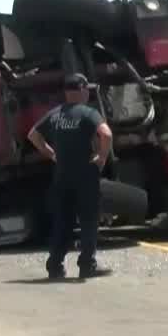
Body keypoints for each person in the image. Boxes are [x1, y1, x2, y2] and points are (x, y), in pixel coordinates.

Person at [27, 73, 113, 280]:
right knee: (89, 220)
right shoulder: (88, 113)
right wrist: (102, 157)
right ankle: (87, 265)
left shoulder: (55, 114)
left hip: (62, 175)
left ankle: (55, 266)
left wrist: (51, 154)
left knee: (63, 221)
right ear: (82, 90)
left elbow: (33, 135)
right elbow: (106, 134)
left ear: (66, 92)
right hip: (85, 174)